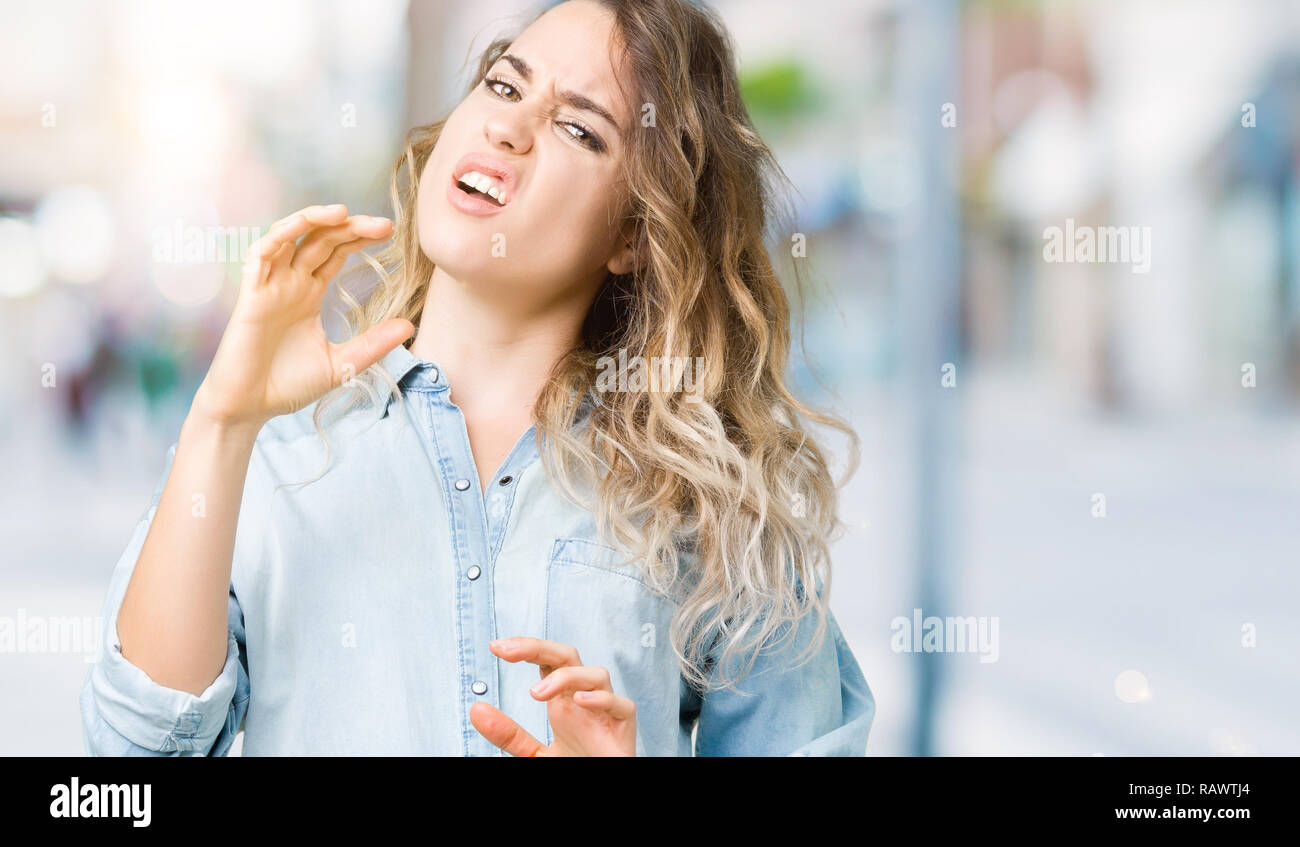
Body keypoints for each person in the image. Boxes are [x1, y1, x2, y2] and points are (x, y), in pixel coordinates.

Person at [80, 0, 873, 756]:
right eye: (503, 83)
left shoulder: (713, 499)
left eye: (577, 128)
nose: (508, 126)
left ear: (634, 234)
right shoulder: (272, 447)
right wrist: (220, 421)